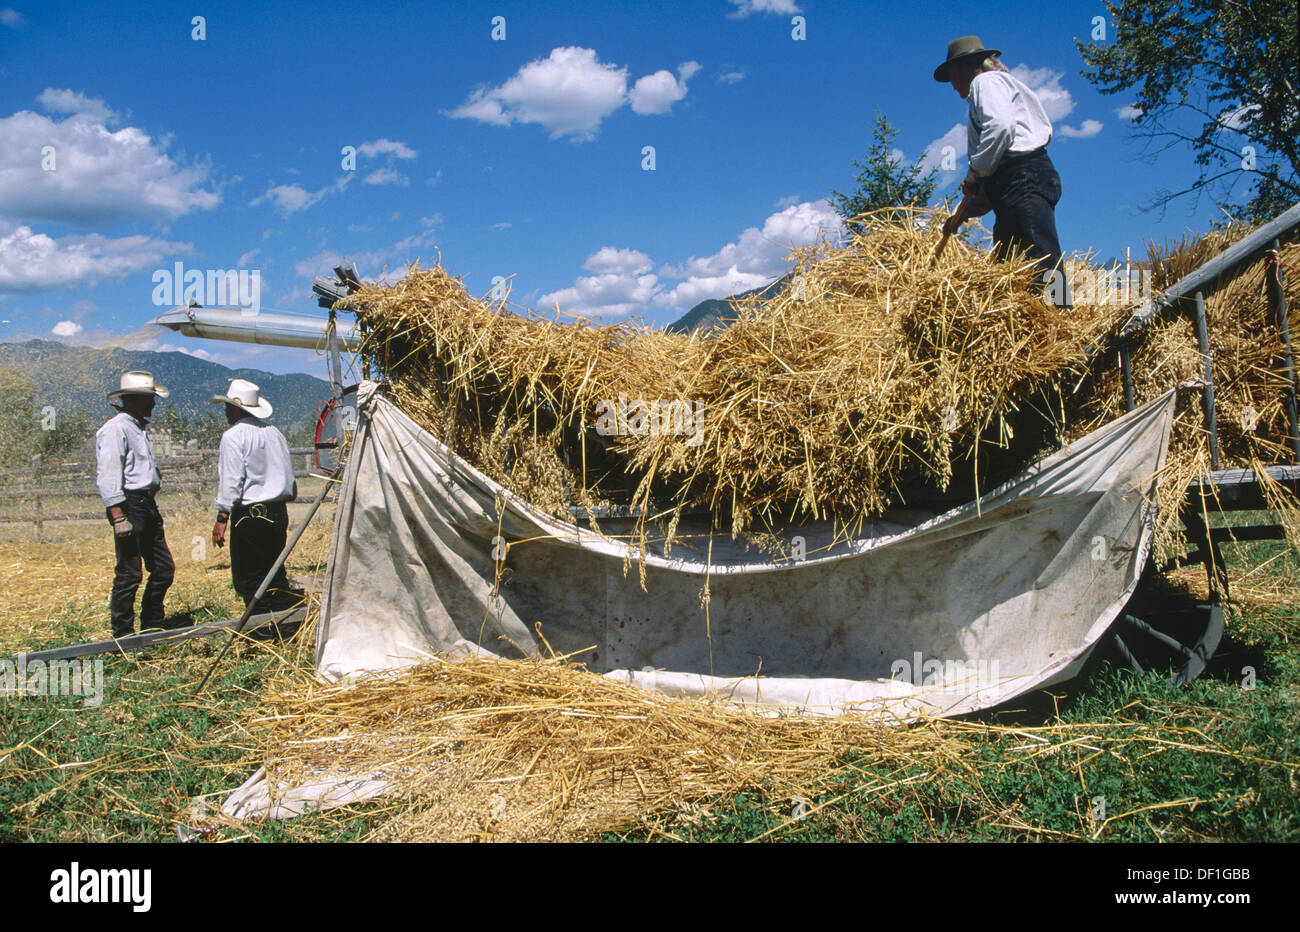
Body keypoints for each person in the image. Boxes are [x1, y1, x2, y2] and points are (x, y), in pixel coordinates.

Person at [935, 35, 1068, 304]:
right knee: (1007, 268)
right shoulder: (995, 87)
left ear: (964, 68)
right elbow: (989, 186)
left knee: (1042, 254)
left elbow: (1001, 128)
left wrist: (974, 173)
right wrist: (959, 218)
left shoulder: (985, 82)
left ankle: (1062, 320)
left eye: (952, 77)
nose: (952, 87)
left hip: (1024, 176)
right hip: (1015, 181)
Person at [210, 379, 300, 628]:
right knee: (274, 573)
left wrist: (222, 518)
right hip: (276, 511)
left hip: (249, 513)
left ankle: (260, 632)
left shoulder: (233, 437)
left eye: (228, 407)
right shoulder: (274, 433)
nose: (226, 412)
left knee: (249, 578)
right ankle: (288, 626)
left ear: (237, 409)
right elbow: (288, 477)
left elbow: (231, 480)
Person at [96, 371, 175, 639]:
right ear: (136, 400)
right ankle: (123, 635)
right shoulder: (116, 429)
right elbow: (108, 473)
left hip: (145, 504)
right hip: (129, 504)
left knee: (163, 569)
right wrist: (118, 516)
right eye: (149, 399)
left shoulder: (136, 427)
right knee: (129, 573)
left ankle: (152, 625)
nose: (153, 404)